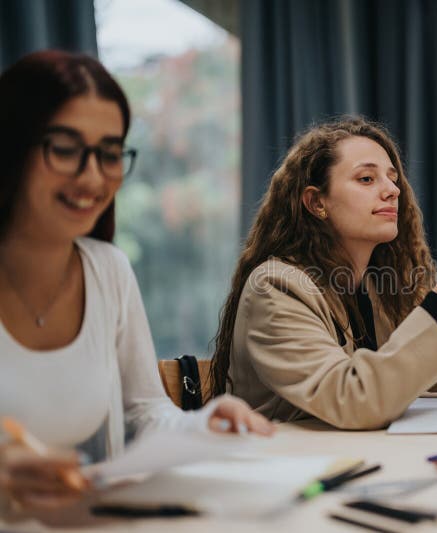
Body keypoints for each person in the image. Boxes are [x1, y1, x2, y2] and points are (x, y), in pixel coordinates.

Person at [0, 50, 274, 513]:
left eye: (109, 153)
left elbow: (145, 411)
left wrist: (203, 424)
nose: (92, 176)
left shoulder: (107, 269)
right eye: (65, 149)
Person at [210, 117, 437, 430]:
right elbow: (354, 399)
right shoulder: (274, 286)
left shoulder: (376, 289)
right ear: (316, 202)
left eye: (392, 178)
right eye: (367, 179)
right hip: (288, 478)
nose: (392, 189)